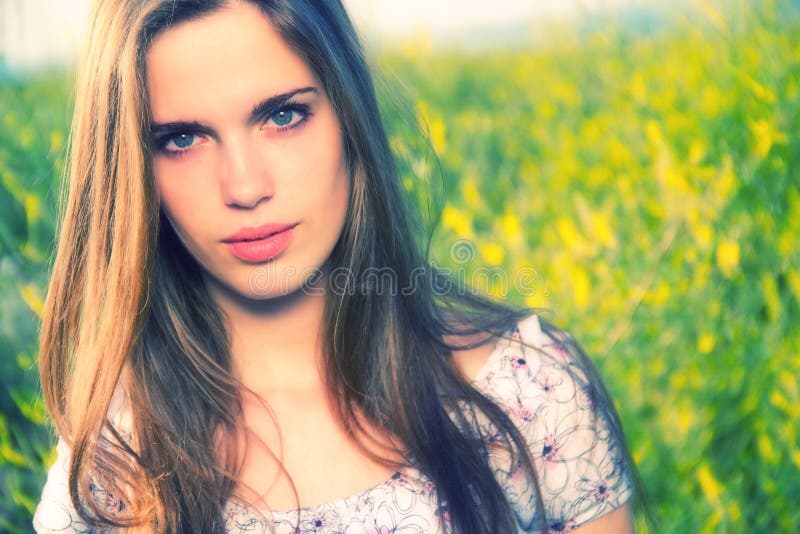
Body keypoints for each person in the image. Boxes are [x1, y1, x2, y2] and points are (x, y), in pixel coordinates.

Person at [33, 0, 638, 532]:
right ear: (134, 174)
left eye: (282, 115)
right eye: (182, 139)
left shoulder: (527, 396)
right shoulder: (112, 461)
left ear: (349, 119)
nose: (244, 186)